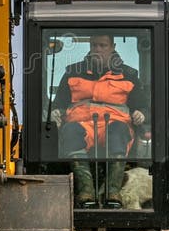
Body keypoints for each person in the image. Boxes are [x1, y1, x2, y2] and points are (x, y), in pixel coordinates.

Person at [50, 33, 148, 208]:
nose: (98, 49)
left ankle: (113, 192)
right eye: (94, 45)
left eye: (103, 46)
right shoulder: (72, 72)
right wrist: (57, 111)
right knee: (70, 132)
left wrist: (141, 113)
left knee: (117, 133)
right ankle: (86, 192)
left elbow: (143, 105)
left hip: (115, 125)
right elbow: (59, 103)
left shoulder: (129, 75)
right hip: (81, 125)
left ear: (112, 47)